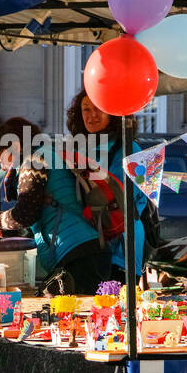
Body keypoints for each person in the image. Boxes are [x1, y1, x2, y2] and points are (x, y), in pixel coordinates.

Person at [0, 117, 110, 295]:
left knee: (76, 317)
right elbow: (43, 211)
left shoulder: (33, 161)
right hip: (87, 247)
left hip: (75, 254)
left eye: (1, 157)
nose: (3, 166)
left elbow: (24, 215)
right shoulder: (49, 154)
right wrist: (10, 231)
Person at [65, 89, 147, 282]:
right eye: (86, 109)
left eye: (98, 109)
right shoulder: (77, 148)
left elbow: (124, 197)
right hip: (87, 245)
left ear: (113, 112)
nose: (91, 115)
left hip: (121, 246)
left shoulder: (128, 148)